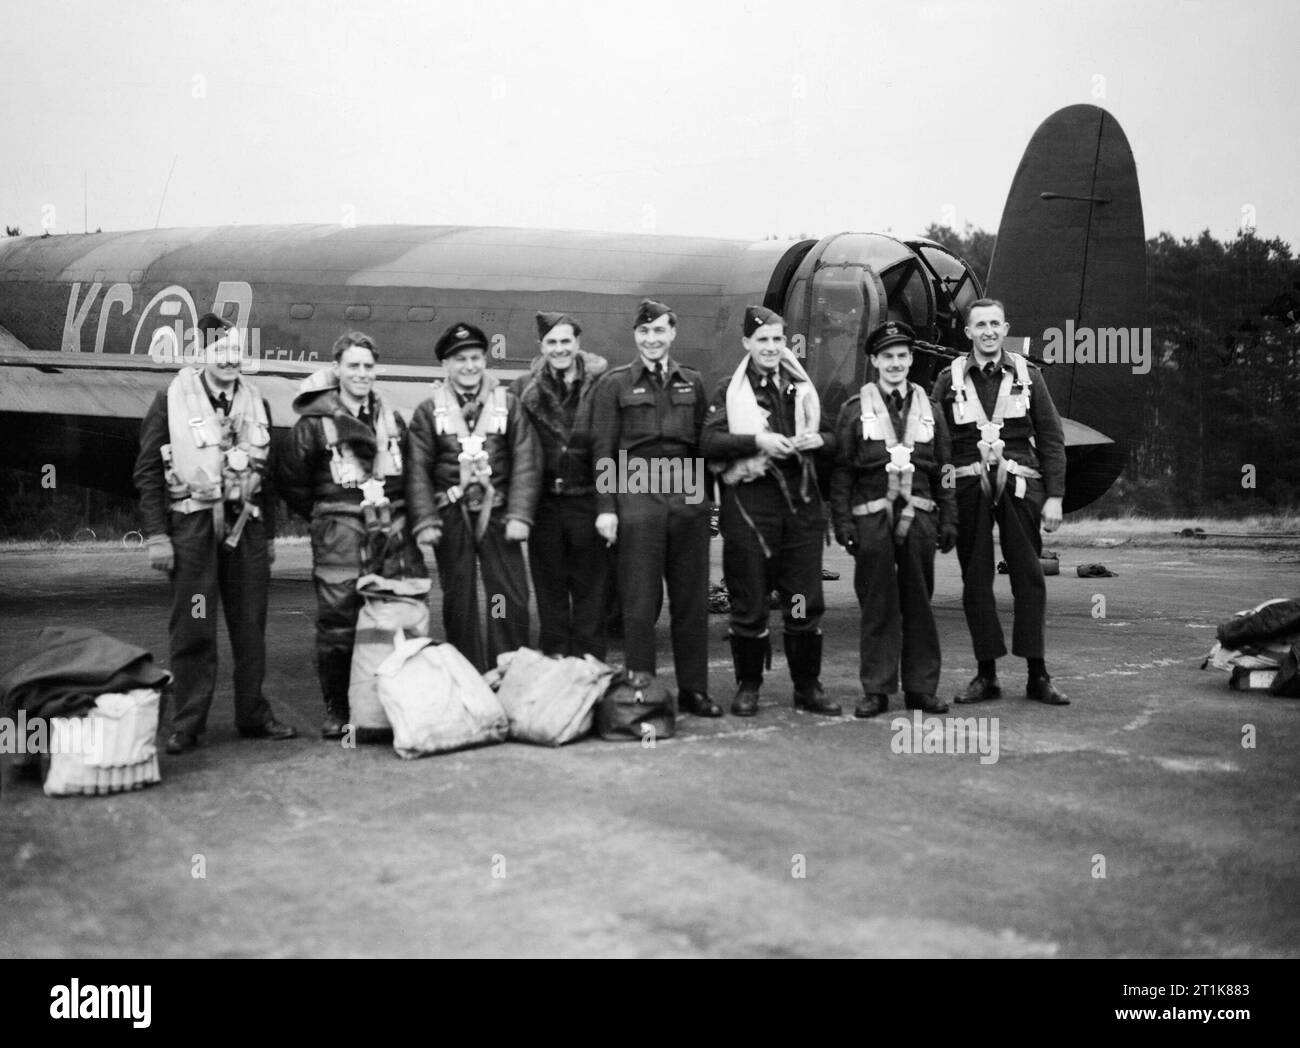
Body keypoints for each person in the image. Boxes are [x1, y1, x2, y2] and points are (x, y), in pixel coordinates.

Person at [134, 312, 297, 753]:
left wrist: (268, 539)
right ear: (201, 354)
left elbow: (269, 478)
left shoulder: (256, 402)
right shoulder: (168, 401)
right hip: (193, 530)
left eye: (234, 351)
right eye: (218, 351)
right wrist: (156, 535)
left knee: (250, 627)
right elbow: (148, 473)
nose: (228, 359)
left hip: (247, 531)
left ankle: (253, 714)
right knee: (194, 627)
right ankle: (187, 724)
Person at [279, 330, 425, 739]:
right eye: (353, 366)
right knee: (339, 624)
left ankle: (387, 704)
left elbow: (410, 475)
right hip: (339, 534)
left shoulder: (392, 420)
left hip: (390, 531)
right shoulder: (312, 425)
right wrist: (326, 516)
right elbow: (291, 480)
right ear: (337, 369)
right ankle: (338, 709)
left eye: (367, 366)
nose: (361, 373)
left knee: (393, 617)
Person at [701, 305, 840, 717]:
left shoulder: (803, 388)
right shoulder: (730, 391)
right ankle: (748, 686)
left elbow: (834, 438)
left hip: (800, 513)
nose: (771, 347)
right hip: (750, 510)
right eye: (762, 340)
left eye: (777, 339)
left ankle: (806, 686)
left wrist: (819, 443)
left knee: (800, 600)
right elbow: (708, 444)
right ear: (747, 343)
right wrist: (756, 442)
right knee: (750, 602)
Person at [930, 299, 1070, 706]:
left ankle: (1037, 674)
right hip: (967, 485)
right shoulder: (947, 379)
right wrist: (941, 498)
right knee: (976, 582)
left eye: (995, 324)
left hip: (1021, 485)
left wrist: (1056, 497)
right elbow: (935, 441)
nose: (989, 331)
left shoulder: (1030, 376)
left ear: (1004, 327)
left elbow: (1051, 437)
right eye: (980, 325)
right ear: (968, 332)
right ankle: (985, 674)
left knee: (1029, 576)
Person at [588, 298, 720, 716]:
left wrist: (704, 503)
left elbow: (702, 444)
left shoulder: (692, 382)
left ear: (673, 333)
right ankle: (640, 687)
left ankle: (695, 691)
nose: (652, 339)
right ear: (635, 336)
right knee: (640, 605)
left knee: (691, 602)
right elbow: (603, 450)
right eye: (644, 332)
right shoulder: (615, 384)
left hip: (687, 503)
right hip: (638, 500)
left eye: (659, 330)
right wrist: (607, 508)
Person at [830, 321, 957, 717]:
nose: (896, 363)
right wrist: (844, 524)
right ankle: (876, 689)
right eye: (888, 356)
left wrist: (949, 518)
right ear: (874, 360)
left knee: (919, 603)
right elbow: (841, 472)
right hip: (871, 518)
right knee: (877, 604)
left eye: (902, 356)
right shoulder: (853, 411)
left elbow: (945, 470)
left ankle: (921, 688)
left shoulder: (932, 410)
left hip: (920, 516)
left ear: (912, 359)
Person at [406, 322, 541, 672]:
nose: (469, 366)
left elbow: (526, 460)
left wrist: (520, 516)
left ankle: (507, 668)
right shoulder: (427, 411)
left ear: (485, 360)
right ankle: (469, 671)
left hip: (498, 515)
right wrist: (425, 521)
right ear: (445, 365)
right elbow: (417, 468)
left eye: (476, 357)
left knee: (505, 595)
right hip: (451, 514)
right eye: (461, 359)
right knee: (460, 597)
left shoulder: (507, 405)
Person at [512, 311, 609, 659]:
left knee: (590, 597)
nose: (559, 348)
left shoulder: (602, 385)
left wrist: (611, 506)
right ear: (541, 346)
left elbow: (611, 446)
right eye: (552, 342)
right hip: (546, 507)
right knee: (550, 595)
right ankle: (554, 670)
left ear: (578, 343)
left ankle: (590, 669)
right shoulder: (523, 390)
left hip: (588, 503)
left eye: (565, 341)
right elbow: (513, 445)